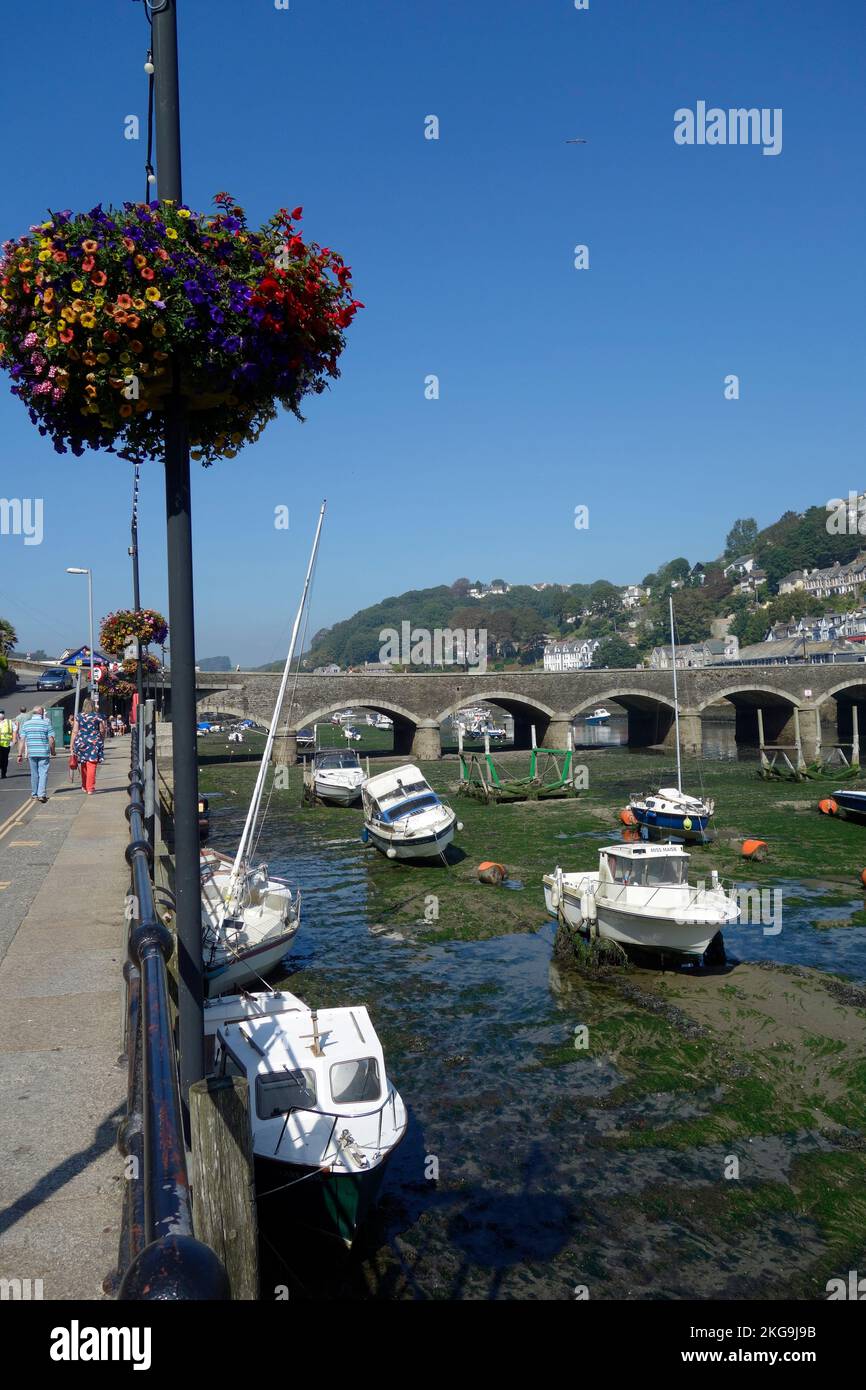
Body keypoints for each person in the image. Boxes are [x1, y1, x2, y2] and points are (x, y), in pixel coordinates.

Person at [17, 705, 56, 802]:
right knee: (43, 773)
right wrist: (53, 751)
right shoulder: (46, 723)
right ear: (41, 713)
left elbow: (22, 740)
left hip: (32, 753)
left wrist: (19, 754)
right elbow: (51, 740)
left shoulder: (26, 724)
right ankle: (41, 794)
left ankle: (34, 794)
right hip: (43, 752)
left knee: (34, 774)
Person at [71, 698, 106, 795]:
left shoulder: (79, 716)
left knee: (83, 764)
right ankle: (90, 788)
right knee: (92, 764)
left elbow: (75, 731)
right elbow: (102, 730)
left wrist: (72, 745)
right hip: (94, 742)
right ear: (93, 705)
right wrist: (102, 739)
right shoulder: (98, 716)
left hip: (81, 742)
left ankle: (84, 786)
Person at [0, 710, 15, 779]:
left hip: (6, 744)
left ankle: (3, 773)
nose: (1, 715)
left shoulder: (9, 722)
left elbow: (14, 730)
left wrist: (14, 739)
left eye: (2, 713)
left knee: (5, 759)